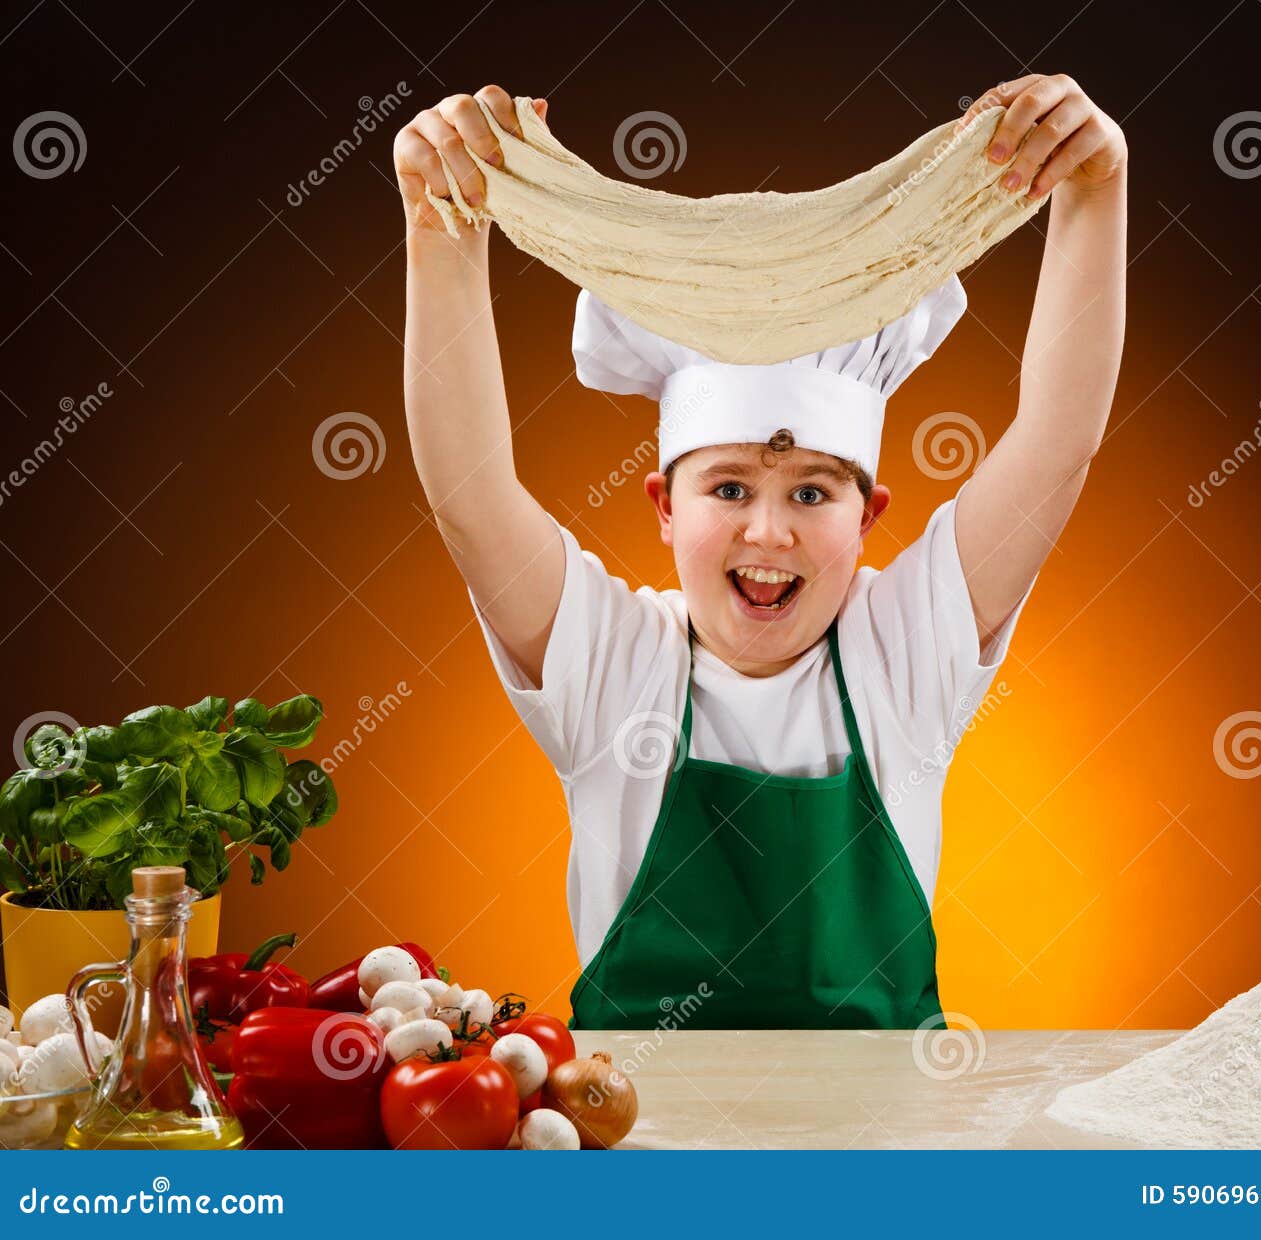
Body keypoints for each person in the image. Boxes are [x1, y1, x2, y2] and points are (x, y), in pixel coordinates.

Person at [396, 77, 1127, 1029]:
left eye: (812, 493)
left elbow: (1058, 439)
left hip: (881, 1149)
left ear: (869, 522)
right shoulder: (616, 660)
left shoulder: (900, 649)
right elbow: (468, 497)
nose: (768, 532)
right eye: (729, 488)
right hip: (639, 1143)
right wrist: (440, 231)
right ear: (663, 506)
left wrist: (1094, 191)